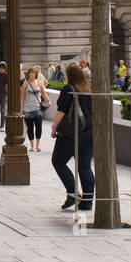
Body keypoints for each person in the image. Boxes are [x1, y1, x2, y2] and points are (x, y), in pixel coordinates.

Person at [51, 61, 94, 212]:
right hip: (89, 133)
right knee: (85, 167)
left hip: (71, 133)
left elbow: (61, 111)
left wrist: (54, 128)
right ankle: (88, 201)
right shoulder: (88, 90)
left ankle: (72, 192)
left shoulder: (68, 89)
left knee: (58, 161)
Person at [22, 67, 49, 152]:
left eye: (33, 73)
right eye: (30, 73)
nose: (31, 74)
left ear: (36, 74)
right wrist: (21, 108)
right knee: (30, 128)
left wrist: (49, 101)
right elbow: (22, 97)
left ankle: (37, 145)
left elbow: (43, 94)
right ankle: (32, 145)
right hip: (27, 109)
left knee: (38, 127)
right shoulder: (25, 85)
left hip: (37, 108)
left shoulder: (39, 83)